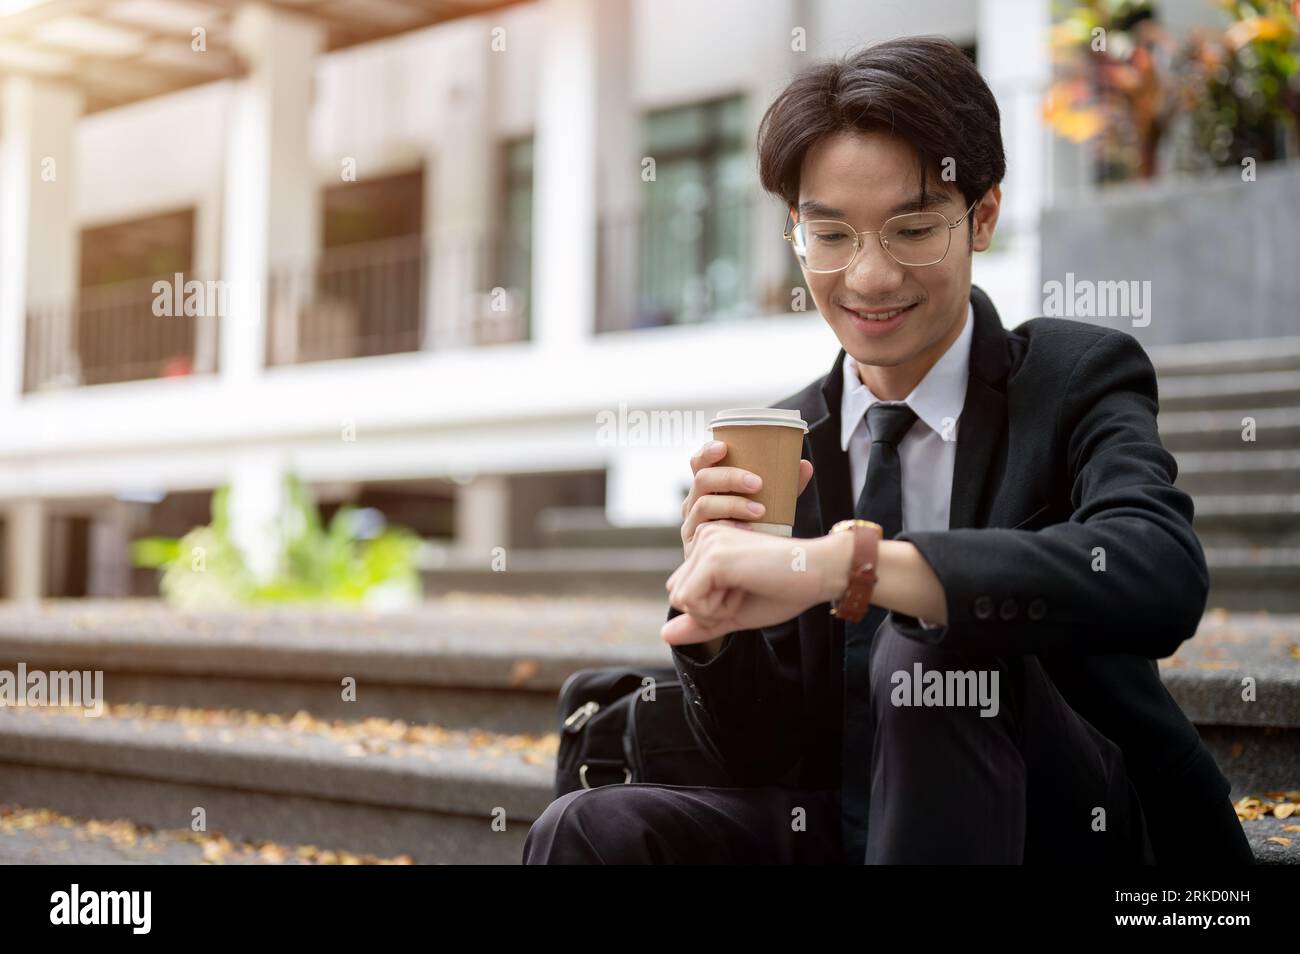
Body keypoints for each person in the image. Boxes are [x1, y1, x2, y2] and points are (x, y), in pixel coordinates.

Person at [523, 35, 1251, 865]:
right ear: (796, 231)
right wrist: (716, 633)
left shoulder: (1072, 379)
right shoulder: (787, 438)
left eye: (911, 229)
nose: (868, 277)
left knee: (932, 641)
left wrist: (855, 567)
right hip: (848, 825)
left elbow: (1157, 574)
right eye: (830, 236)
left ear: (982, 215)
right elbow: (758, 756)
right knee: (588, 829)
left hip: (1057, 829)